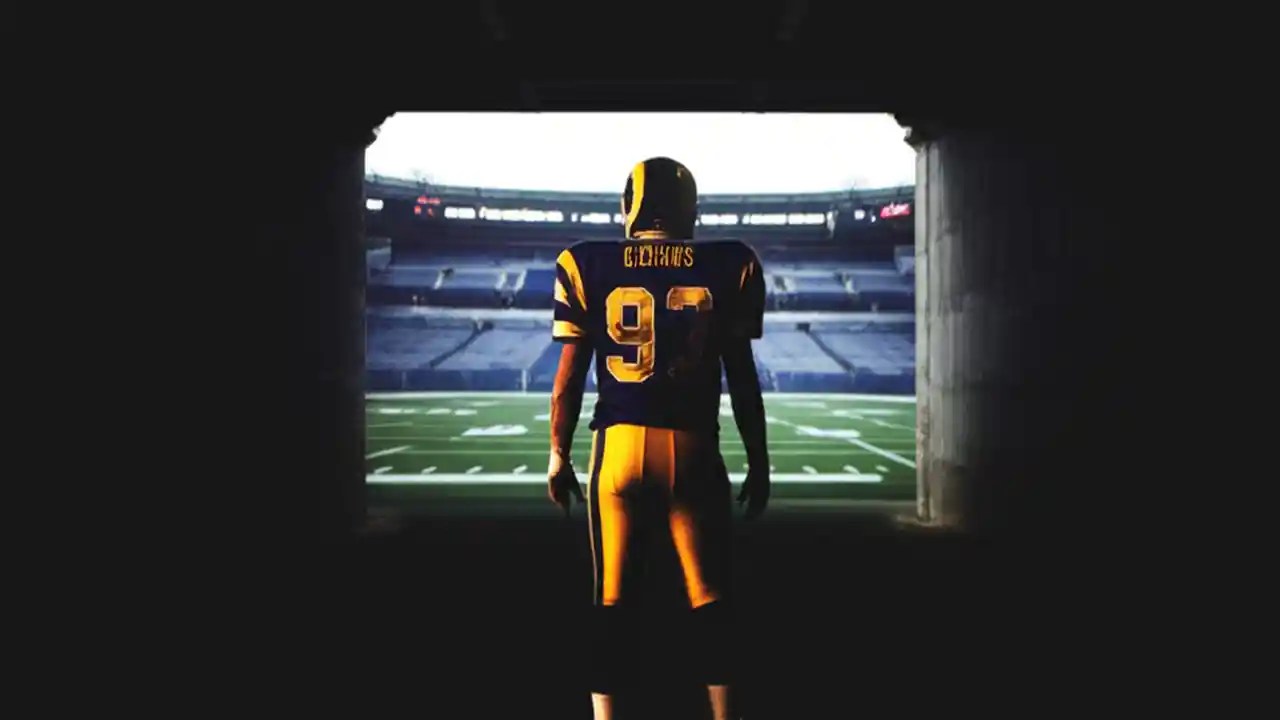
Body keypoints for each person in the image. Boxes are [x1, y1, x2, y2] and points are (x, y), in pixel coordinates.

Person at [545, 157, 770, 720]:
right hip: (695, 447)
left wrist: (556, 455)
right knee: (711, 596)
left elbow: (568, 380)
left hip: (618, 448)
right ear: (689, 208)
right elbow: (742, 379)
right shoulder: (730, 263)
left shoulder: (585, 261)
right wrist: (759, 460)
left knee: (612, 600)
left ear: (630, 207)